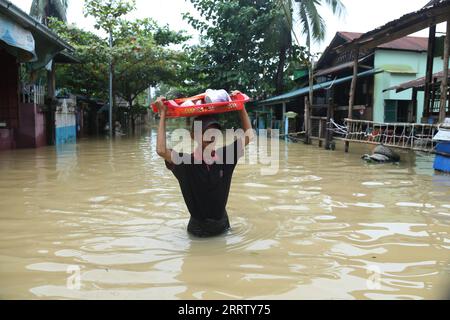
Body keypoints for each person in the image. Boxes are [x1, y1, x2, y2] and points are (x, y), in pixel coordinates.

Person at [155, 93, 253, 238]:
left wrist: (241, 106)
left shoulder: (226, 156)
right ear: (193, 135)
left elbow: (248, 136)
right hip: (197, 230)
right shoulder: (186, 162)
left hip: (223, 226)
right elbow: (161, 150)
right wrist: (162, 113)